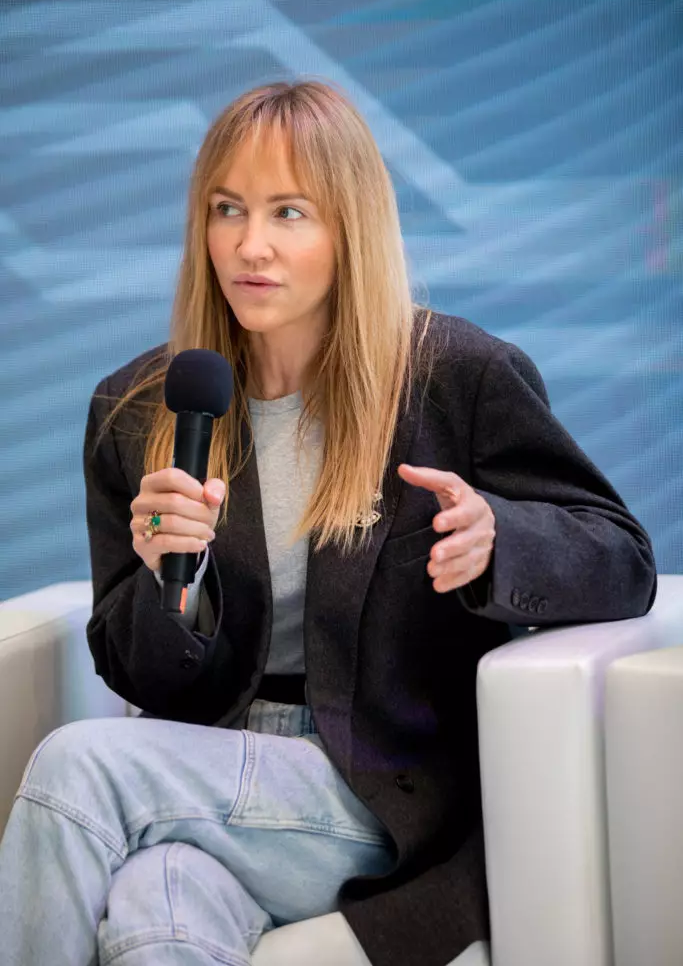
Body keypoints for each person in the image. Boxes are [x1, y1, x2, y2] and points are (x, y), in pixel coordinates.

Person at [0, 80, 656, 966]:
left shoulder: (454, 376)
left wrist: (499, 537)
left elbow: (622, 558)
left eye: (289, 212)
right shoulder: (141, 406)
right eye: (226, 209)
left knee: (79, 767)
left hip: (378, 788)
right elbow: (138, 671)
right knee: (158, 918)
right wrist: (172, 585)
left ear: (348, 226)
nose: (249, 244)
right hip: (205, 778)